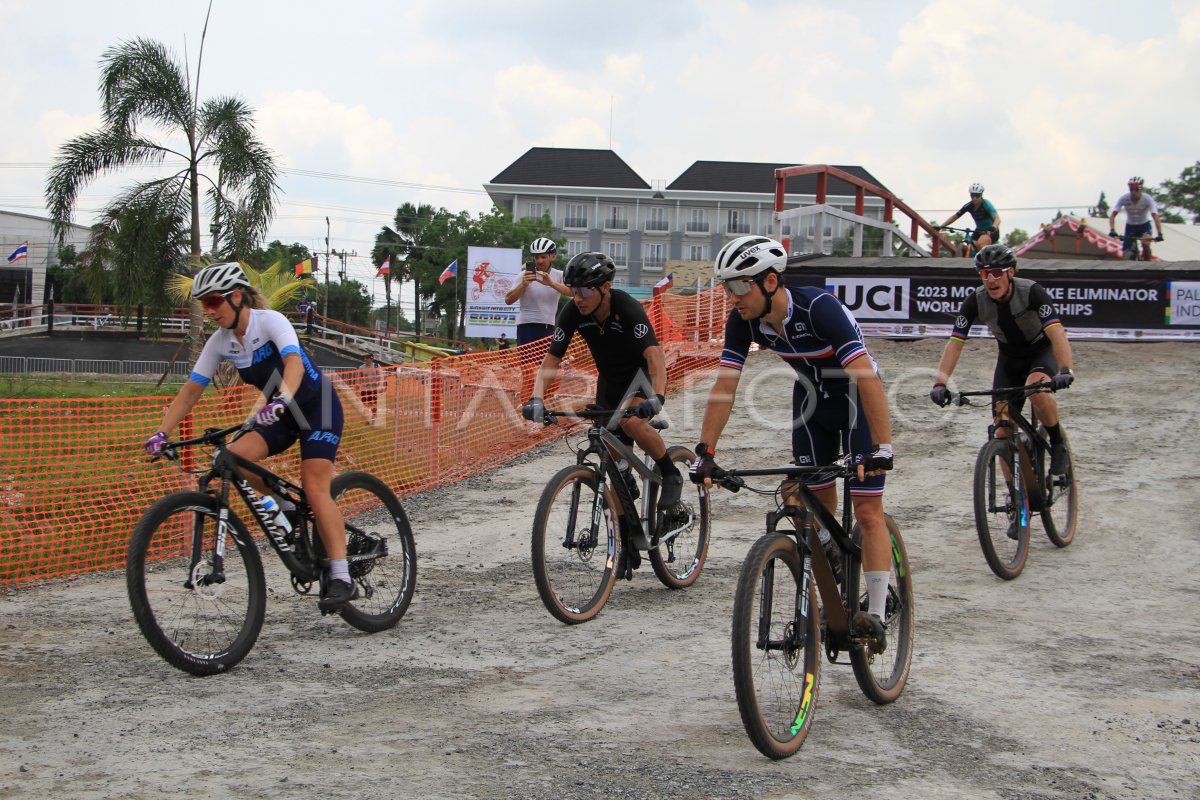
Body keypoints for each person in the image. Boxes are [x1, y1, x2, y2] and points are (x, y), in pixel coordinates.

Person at [688, 235, 895, 653]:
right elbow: (725, 387)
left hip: (855, 398)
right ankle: (832, 565)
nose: (732, 297)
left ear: (769, 282)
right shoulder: (744, 321)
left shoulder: (819, 308)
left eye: (740, 285)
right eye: (727, 287)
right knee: (809, 504)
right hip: (811, 403)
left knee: (867, 510)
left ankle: (876, 610)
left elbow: (866, 377)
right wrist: (705, 452)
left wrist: (883, 447)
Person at [142, 262, 355, 612]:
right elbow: (191, 390)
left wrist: (282, 399)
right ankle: (286, 506)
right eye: (203, 304)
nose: (208, 311)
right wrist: (161, 433)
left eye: (213, 301)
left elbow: (294, 363)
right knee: (230, 459)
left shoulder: (269, 322)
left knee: (315, 486)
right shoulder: (220, 341)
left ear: (237, 296)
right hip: (280, 414)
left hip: (318, 407)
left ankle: (342, 576)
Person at [522, 252, 683, 580]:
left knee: (629, 420)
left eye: (585, 290)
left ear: (605, 287)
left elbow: (654, 355)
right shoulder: (572, 312)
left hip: (641, 377)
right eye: (573, 290)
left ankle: (670, 472)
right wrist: (537, 398)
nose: (578, 297)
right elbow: (551, 360)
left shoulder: (627, 307)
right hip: (610, 383)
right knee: (614, 469)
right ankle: (626, 541)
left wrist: (657, 396)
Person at [929, 245, 1075, 478]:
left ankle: (1057, 443)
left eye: (996, 273)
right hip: (1010, 358)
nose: (990, 279)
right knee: (1002, 432)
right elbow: (955, 344)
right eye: (984, 273)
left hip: (1040, 351)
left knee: (1037, 391)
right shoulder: (975, 301)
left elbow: (1057, 333)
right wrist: (940, 383)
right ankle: (1015, 495)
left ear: (1011, 272)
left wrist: (1066, 369)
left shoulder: (1032, 292)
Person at [504, 237, 570, 346]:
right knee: (527, 358)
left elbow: (574, 293)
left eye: (543, 257)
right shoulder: (524, 275)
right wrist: (523, 284)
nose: (540, 261)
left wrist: (552, 283)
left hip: (548, 327)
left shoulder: (559, 275)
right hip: (526, 326)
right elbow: (508, 300)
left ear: (552, 256)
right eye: (537, 257)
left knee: (547, 358)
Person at [1109, 176, 1164, 260]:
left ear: (1141, 190)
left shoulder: (1147, 199)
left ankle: (1147, 262)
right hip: (1130, 226)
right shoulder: (1124, 198)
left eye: (1136, 190)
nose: (1134, 192)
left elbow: (1155, 216)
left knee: (1145, 243)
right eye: (1131, 190)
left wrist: (1160, 233)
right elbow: (1112, 215)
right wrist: (1112, 229)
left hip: (1144, 225)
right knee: (1126, 253)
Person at [938, 182, 1001, 254]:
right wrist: (941, 226)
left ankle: (987, 257)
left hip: (990, 231)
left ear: (981, 195)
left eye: (977, 196)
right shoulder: (969, 206)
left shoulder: (986, 204)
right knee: (970, 245)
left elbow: (997, 219)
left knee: (981, 243)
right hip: (979, 231)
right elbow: (954, 217)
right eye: (972, 195)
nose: (974, 198)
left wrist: (993, 227)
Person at [357, 351, 385, 422]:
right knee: (365, 404)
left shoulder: (376, 366)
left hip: (374, 389)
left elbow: (381, 376)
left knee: (373, 404)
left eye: (366, 358)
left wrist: (380, 386)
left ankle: (373, 416)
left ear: (371, 358)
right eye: (364, 358)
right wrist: (357, 388)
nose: (365, 359)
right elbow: (358, 378)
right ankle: (367, 419)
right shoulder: (361, 367)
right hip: (364, 389)